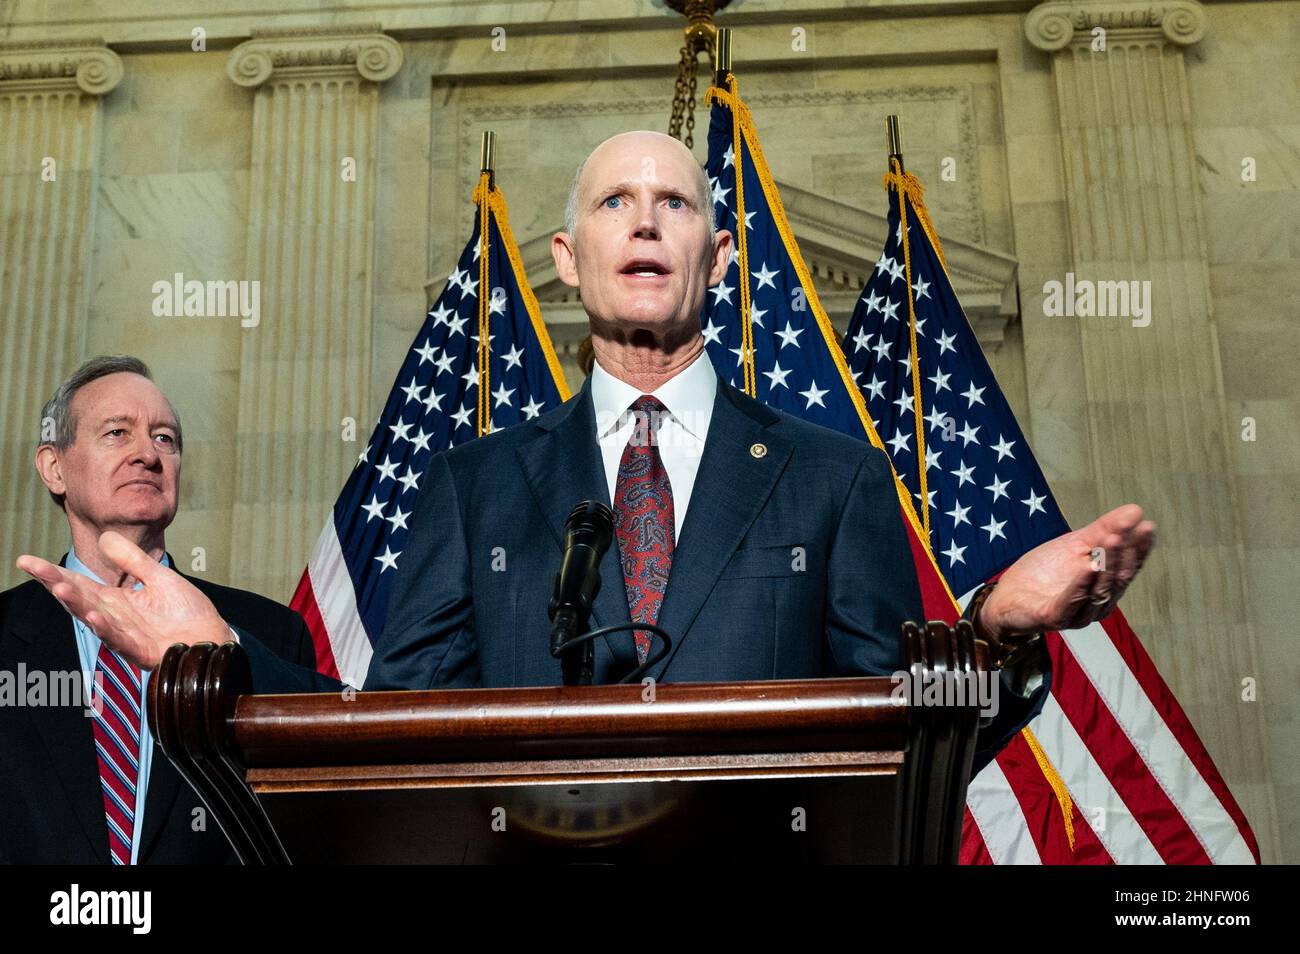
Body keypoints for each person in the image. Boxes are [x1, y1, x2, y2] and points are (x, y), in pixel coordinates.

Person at [16, 133, 1155, 774]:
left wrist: (996, 627)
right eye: (616, 201)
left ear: (716, 253)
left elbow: (912, 737)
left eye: (673, 203)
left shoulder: (832, 475)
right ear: (569, 257)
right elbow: (387, 741)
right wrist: (222, 654)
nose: (647, 220)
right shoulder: (472, 487)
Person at [1, 356, 317, 864]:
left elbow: (319, 816)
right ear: (54, 467)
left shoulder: (269, 634)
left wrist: (223, 652)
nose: (147, 453)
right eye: (117, 433)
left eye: (165, 439)